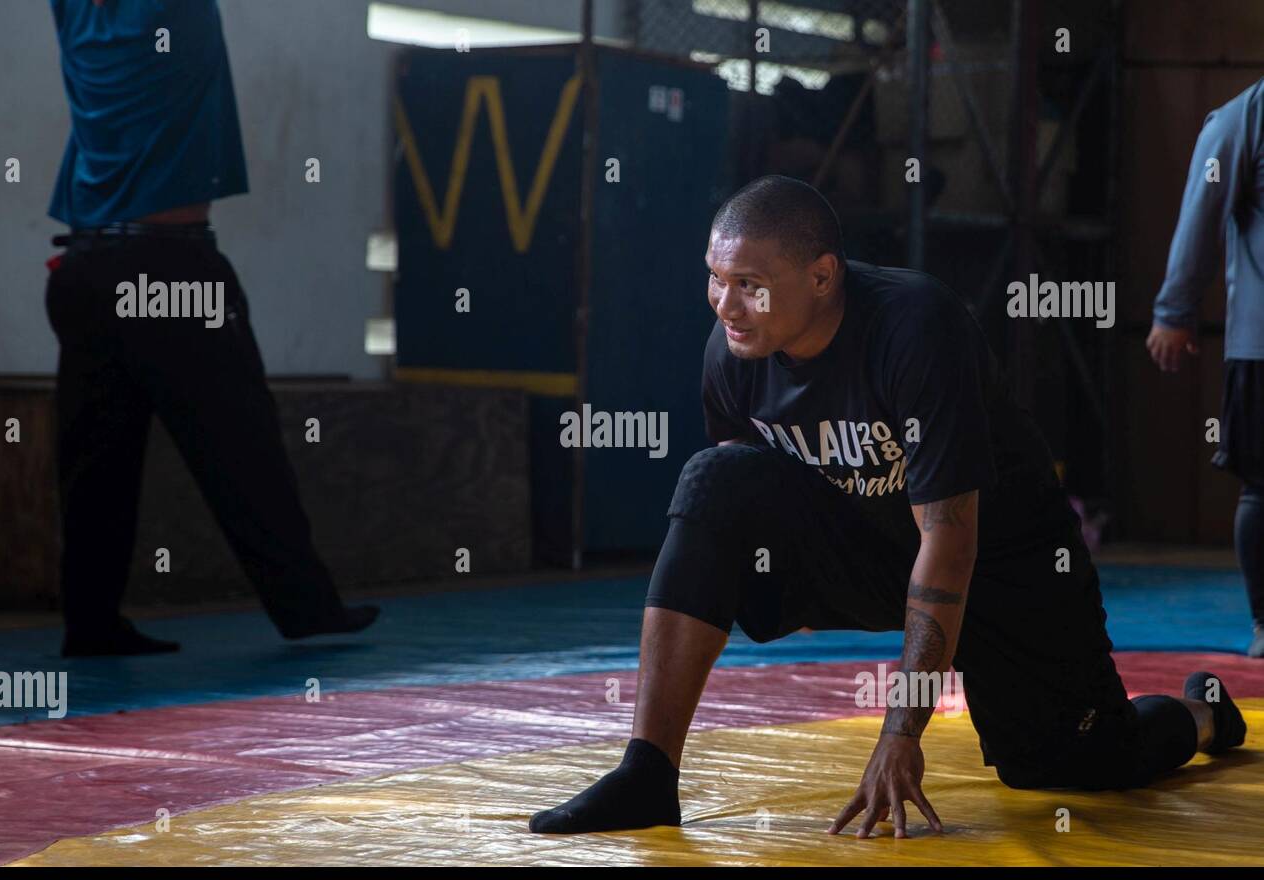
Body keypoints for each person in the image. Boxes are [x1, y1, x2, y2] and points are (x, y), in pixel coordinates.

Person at [530, 175, 1247, 838]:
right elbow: (740, 496)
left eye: (749, 285)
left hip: (1005, 564)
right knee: (714, 476)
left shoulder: (915, 327)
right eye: (716, 279)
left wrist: (901, 733)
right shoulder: (734, 351)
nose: (725, 305)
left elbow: (951, 542)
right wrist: (787, 584)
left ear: (822, 276)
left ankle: (1204, 714)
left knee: (1077, 763)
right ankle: (646, 773)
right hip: (876, 548)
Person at [45, 0, 377, 656]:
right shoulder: (177, 14)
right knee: (243, 445)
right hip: (168, 268)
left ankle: (90, 622)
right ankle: (307, 607)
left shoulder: (78, 18)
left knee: (96, 464)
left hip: (84, 271)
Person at [1150, 78, 1264, 659]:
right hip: (1261, 345)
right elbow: (1203, 211)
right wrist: (1174, 311)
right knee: (1262, 486)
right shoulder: (1243, 118)